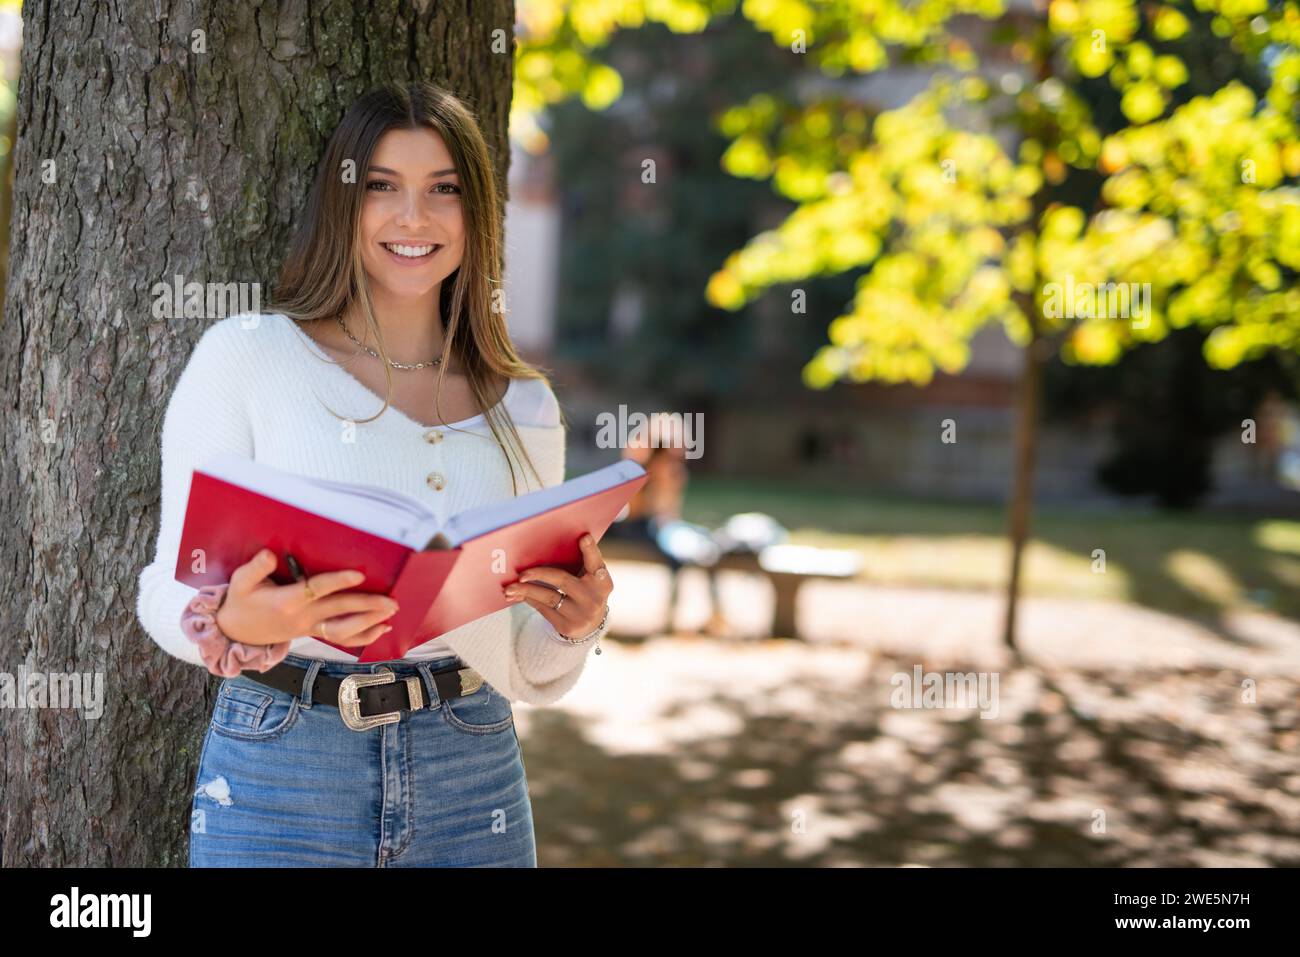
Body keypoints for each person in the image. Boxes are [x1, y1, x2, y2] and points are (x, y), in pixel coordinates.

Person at [135, 82, 615, 867]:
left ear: (477, 212)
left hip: (473, 766)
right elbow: (163, 586)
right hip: (283, 768)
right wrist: (231, 626)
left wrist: (577, 624)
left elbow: (527, 664)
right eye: (382, 188)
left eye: (443, 190)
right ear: (342, 203)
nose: (413, 218)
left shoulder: (524, 402)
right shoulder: (248, 355)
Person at [604, 412, 731, 636]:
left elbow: (671, 514)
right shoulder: (638, 470)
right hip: (637, 526)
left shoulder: (676, 474)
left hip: (662, 526)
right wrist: (651, 482)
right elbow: (635, 511)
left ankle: (715, 613)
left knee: (704, 545)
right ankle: (673, 613)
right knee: (676, 554)